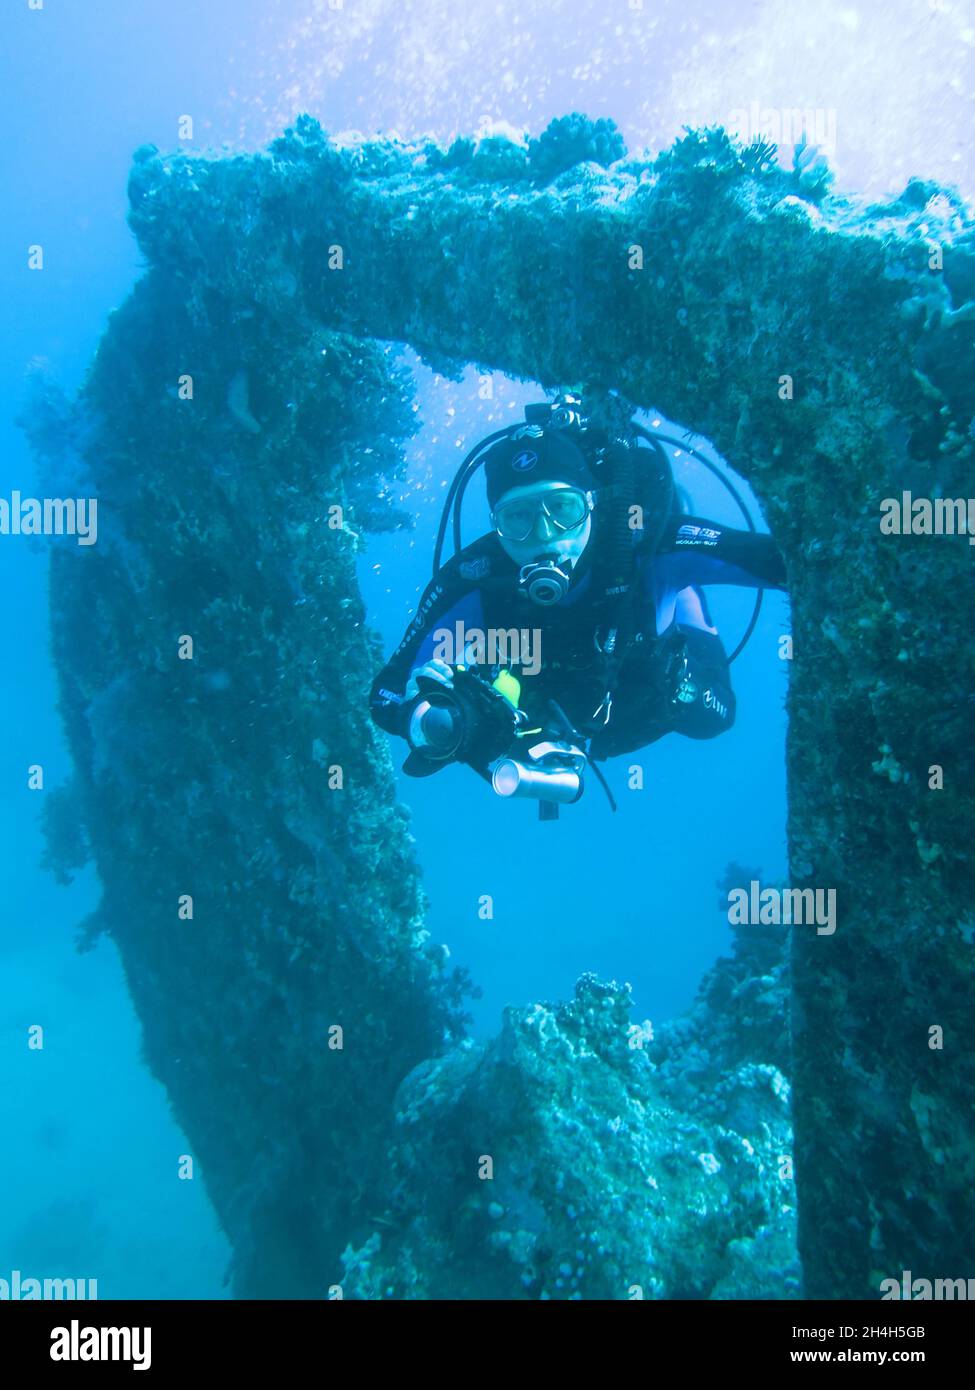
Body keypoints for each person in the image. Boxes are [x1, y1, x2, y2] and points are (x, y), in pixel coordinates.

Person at [369, 395, 786, 805]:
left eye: (562, 507)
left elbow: (781, 561)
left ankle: (678, 625)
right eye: (518, 517)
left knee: (716, 717)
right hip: (559, 717)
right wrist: (423, 709)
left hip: (652, 684)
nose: (545, 533)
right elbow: (386, 692)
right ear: (497, 525)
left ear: (592, 505)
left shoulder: (646, 548)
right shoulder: (476, 577)